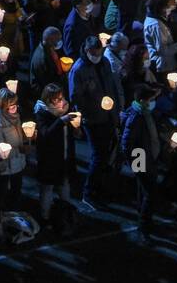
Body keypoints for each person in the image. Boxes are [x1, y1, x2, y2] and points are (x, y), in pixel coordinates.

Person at [69, 34, 120, 210]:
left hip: (109, 116)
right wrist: (89, 112)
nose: (97, 56)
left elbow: (112, 86)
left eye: (99, 52)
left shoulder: (104, 63)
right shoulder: (79, 69)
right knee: (99, 155)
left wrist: (115, 109)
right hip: (93, 119)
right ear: (87, 50)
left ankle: (101, 187)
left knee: (107, 153)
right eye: (94, 53)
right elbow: (76, 97)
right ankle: (88, 192)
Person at [120, 84, 162, 245]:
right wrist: (138, 163)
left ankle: (142, 217)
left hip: (147, 157)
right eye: (151, 99)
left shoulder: (144, 113)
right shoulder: (136, 117)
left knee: (143, 190)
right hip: (142, 159)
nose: (153, 102)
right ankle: (144, 228)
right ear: (143, 100)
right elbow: (127, 144)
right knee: (150, 193)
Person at [34, 83, 78, 230]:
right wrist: (61, 121)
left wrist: (76, 130)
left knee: (65, 187)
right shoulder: (42, 113)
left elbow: (68, 133)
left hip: (64, 157)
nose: (61, 101)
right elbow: (46, 134)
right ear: (48, 100)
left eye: (61, 97)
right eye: (56, 99)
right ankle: (45, 218)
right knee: (47, 189)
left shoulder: (65, 109)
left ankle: (66, 215)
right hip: (49, 160)